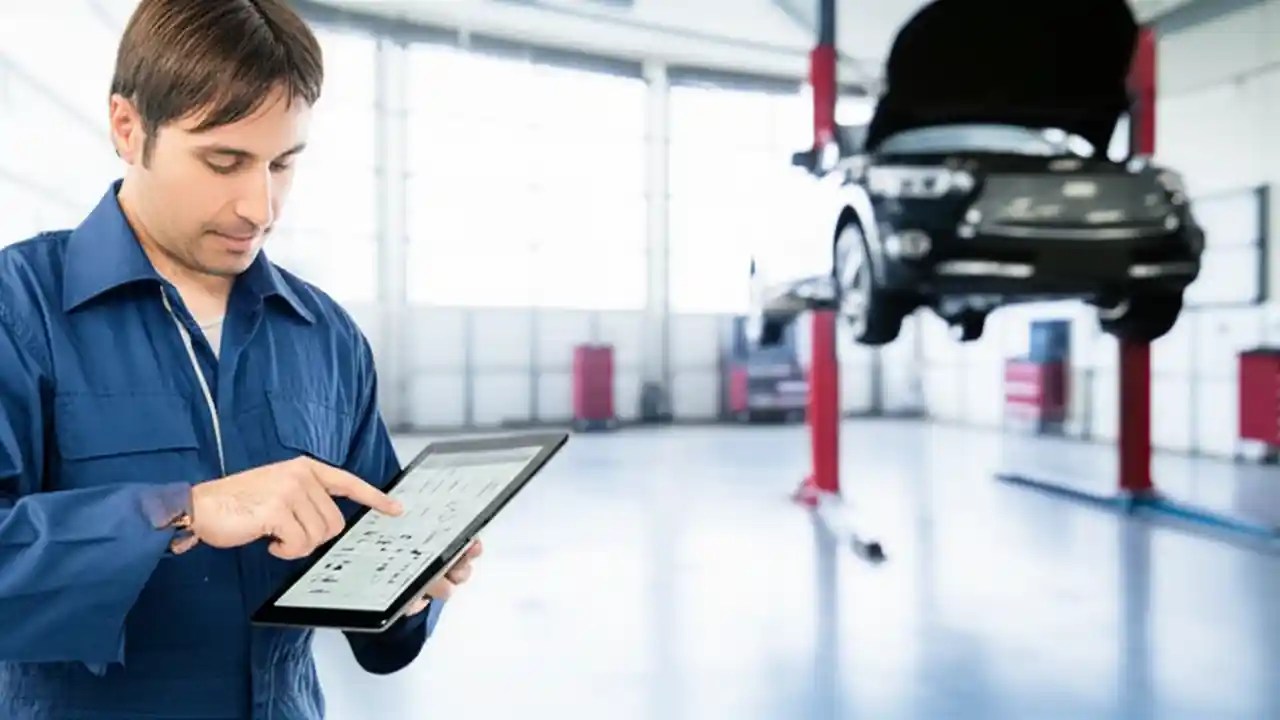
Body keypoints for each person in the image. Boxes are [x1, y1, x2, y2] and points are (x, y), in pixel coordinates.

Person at [0, 1, 483, 718]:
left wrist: (411, 587)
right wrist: (182, 511)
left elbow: (379, 629)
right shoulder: (20, 309)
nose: (260, 207)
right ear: (128, 129)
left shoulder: (326, 337)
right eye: (224, 161)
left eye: (283, 164)